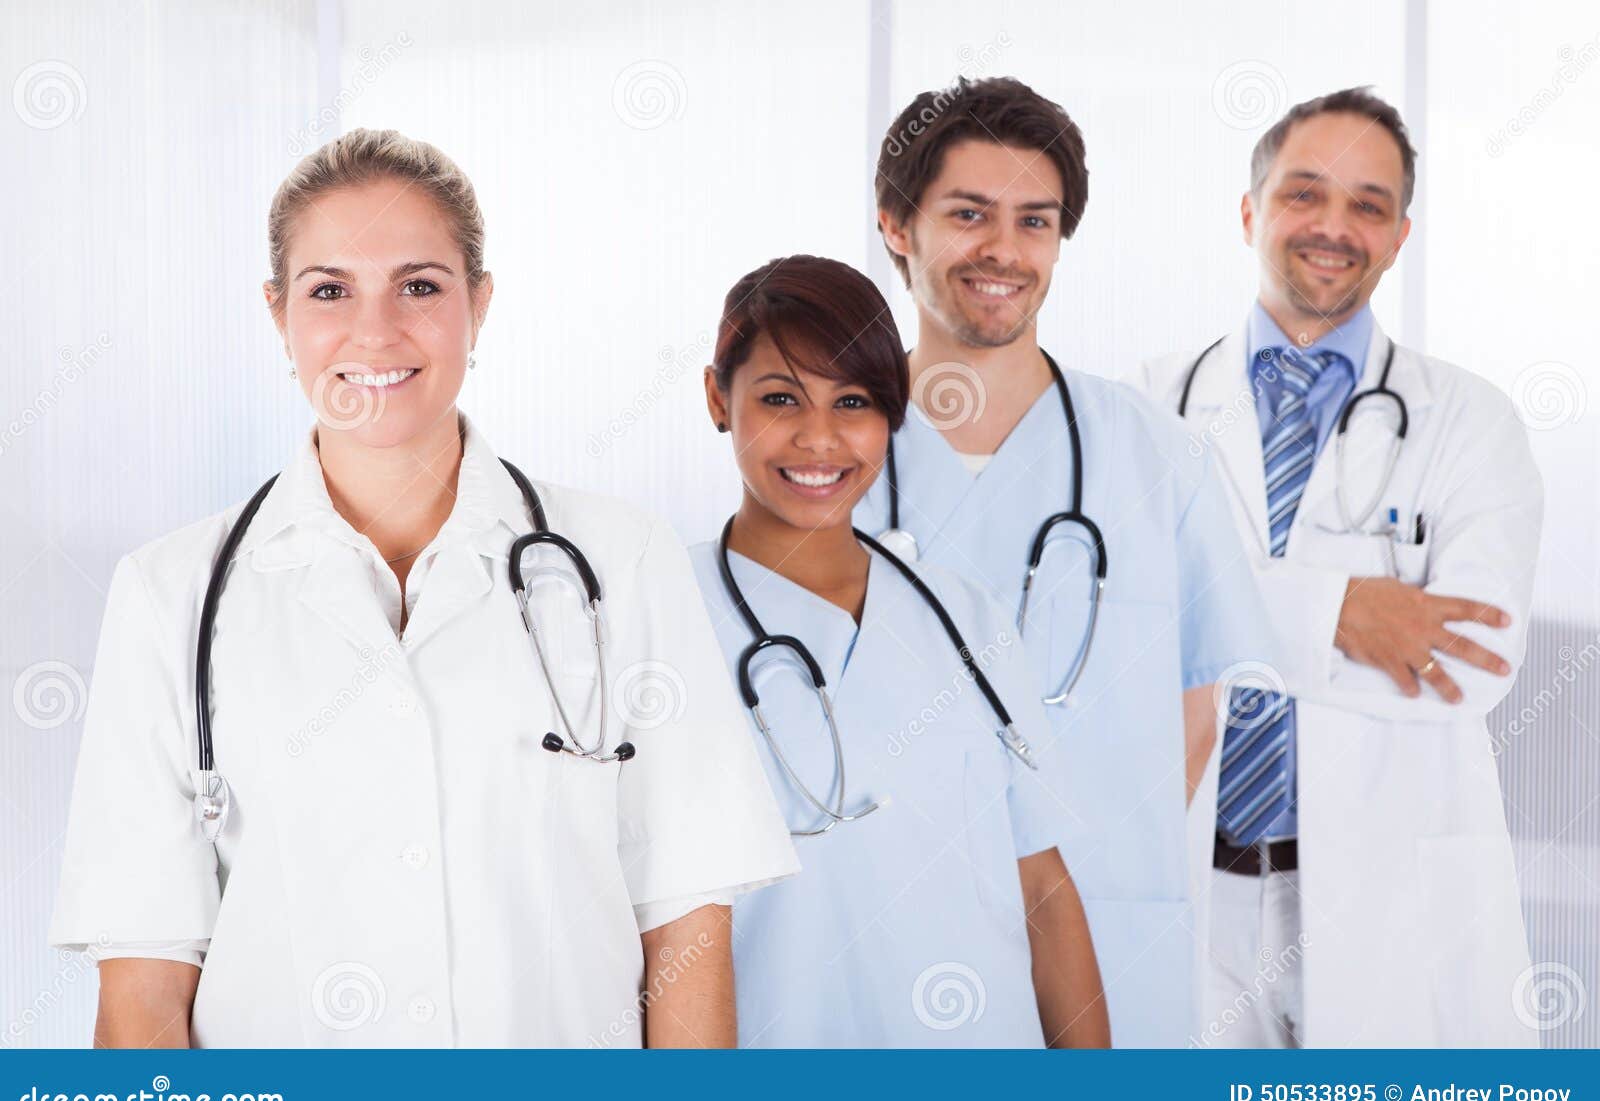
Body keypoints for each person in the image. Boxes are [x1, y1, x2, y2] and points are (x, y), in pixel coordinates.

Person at [48, 128, 798, 1048]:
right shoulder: (169, 596)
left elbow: (683, 922)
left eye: (420, 285)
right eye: (330, 290)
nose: (376, 331)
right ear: (277, 314)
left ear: (478, 306)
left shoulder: (621, 561)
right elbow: (143, 989)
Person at [855, 77, 1279, 1046]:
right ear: (894, 225)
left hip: (1109, 926)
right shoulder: (828, 454)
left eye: (1033, 221)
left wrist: (1087, 855)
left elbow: (1192, 705)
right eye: (967, 214)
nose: (1003, 250)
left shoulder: (1152, 453)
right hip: (887, 934)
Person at [1136, 88, 1543, 1047]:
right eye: (1304, 192)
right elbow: (1114, 637)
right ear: (1250, 211)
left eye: (1368, 204)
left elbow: (1465, 663)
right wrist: (1339, 614)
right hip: (1194, 883)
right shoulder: (1146, 407)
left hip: (1387, 890)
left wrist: (1211, 611)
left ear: (1401, 235)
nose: (1333, 226)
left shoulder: (1471, 422)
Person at [693, 254, 1109, 1047]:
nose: (819, 438)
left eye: (853, 401)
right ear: (719, 397)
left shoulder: (963, 614)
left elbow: (1043, 886)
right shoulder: (665, 616)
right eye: (780, 398)